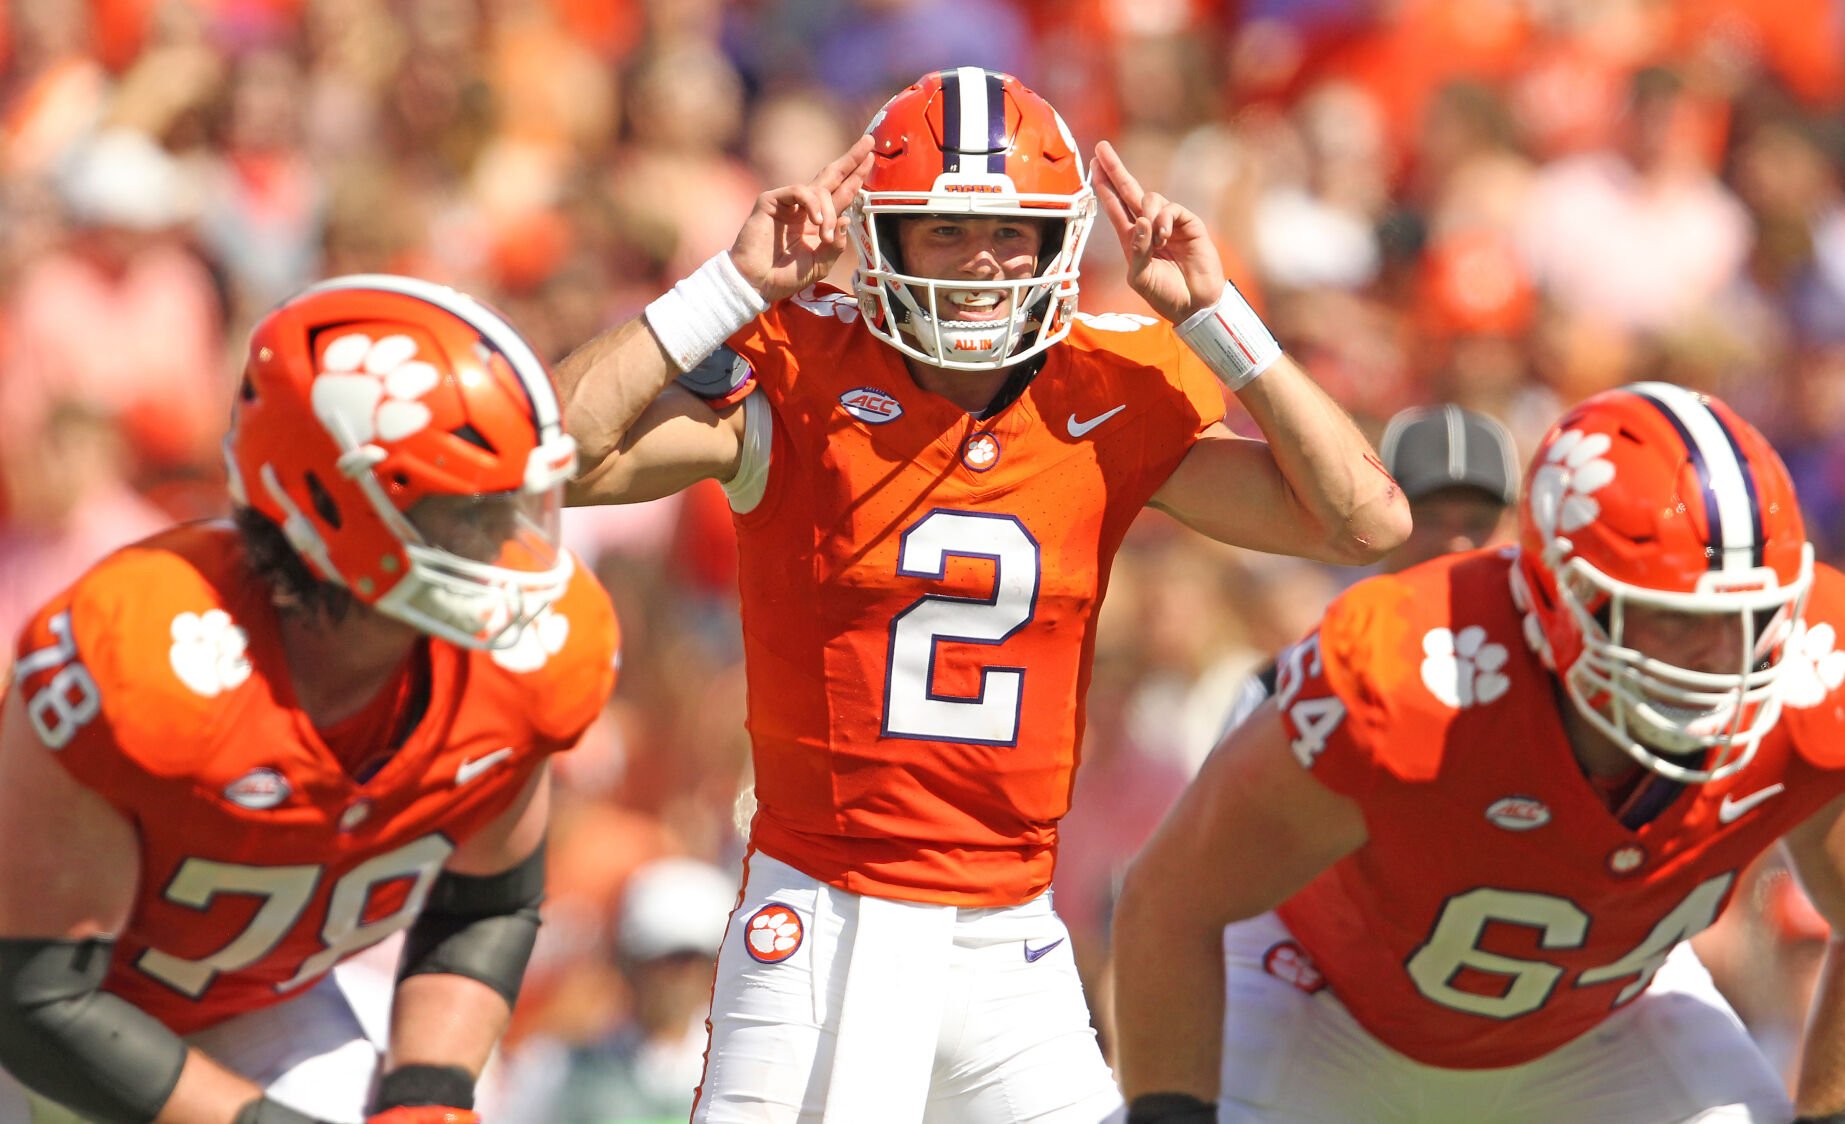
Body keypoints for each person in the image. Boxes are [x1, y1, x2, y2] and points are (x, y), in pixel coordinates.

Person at [557, 67, 1409, 1122]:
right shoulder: (801, 370)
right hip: (830, 916)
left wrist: (1218, 318)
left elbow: (1362, 522)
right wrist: (725, 291)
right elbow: (547, 453)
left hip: (1014, 934)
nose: (981, 261)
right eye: (945, 230)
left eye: (1010, 231)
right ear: (885, 238)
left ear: (1056, 244)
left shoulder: (1107, 390)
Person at [1111, 381, 1845, 1123]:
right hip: (1325, 1010)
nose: (1721, 658)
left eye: (1751, 616)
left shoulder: (1818, 668)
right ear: (1561, 593)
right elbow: (1174, 899)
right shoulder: (1410, 670)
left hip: (1606, 1023)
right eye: (1671, 617)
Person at [0, 275, 620, 1124]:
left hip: (241, 1006)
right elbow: (33, 1000)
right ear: (335, 504)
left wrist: (427, 1096)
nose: (505, 543)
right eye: (468, 509)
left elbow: (487, 904)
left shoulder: (521, 664)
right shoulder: (148, 657)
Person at [1217, 402, 1520, 734]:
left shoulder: (1552, 664)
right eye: (1429, 519)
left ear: (1517, 525)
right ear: (1379, 521)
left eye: (1478, 522)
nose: (1455, 544)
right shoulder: (1300, 679)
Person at [512, 857, 739, 1124]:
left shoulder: (740, 1069)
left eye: (691, 961)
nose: (678, 979)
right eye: (661, 961)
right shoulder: (559, 1068)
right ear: (626, 962)